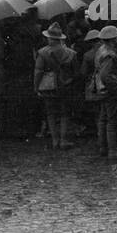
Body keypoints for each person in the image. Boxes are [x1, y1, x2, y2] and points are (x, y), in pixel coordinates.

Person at [34, 23, 78, 151]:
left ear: (49, 38)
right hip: (66, 85)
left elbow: (38, 71)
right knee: (65, 113)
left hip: (49, 87)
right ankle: (64, 140)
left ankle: (55, 140)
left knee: (50, 114)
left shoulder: (42, 53)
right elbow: (76, 73)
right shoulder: (71, 53)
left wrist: (36, 87)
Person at [92, 25, 117, 161]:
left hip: (100, 89)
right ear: (114, 38)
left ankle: (103, 147)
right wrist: (115, 88)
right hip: (108, 90)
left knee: (103, 118)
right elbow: (105, 75)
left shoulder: (100, 50)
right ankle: (113, 151)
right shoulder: (110, 54)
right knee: (112, 120)